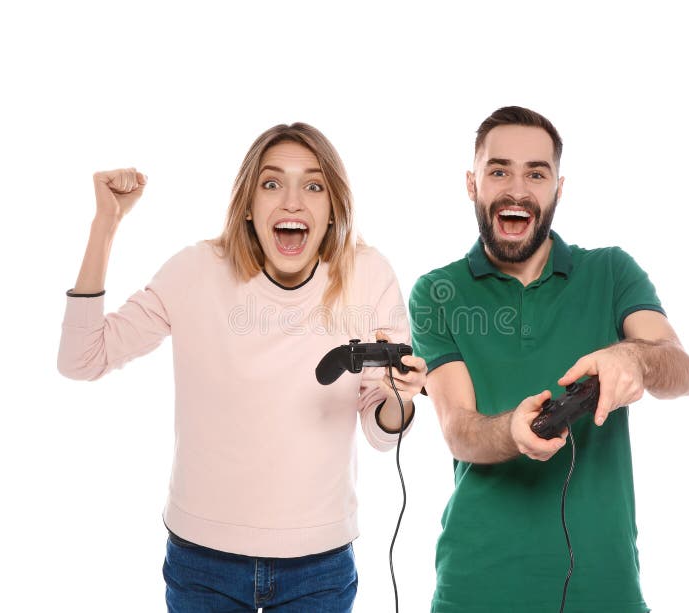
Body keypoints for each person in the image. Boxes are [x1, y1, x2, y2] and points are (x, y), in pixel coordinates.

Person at [57, 122, 426, 612]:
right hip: (202, 562)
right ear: (248, 206)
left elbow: (383, 431)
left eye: (313, 186)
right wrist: (105, 224)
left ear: (334, 206)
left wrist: (399, 397)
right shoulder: (195, 270)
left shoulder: (368, 274)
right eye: (272, 183)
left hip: (319, 566)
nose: (292, 202)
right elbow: (82, 359)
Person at [409, 106, 689, 613]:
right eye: (499, 171)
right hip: (476, 589)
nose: (517, 190)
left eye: (536, 173)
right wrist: (512, 433)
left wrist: (635, 358)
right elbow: (458, 428)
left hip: (603, 589)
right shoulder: (437, 292)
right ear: (472, 184)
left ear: (558, 189)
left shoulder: (610, 271)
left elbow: (681, 370)